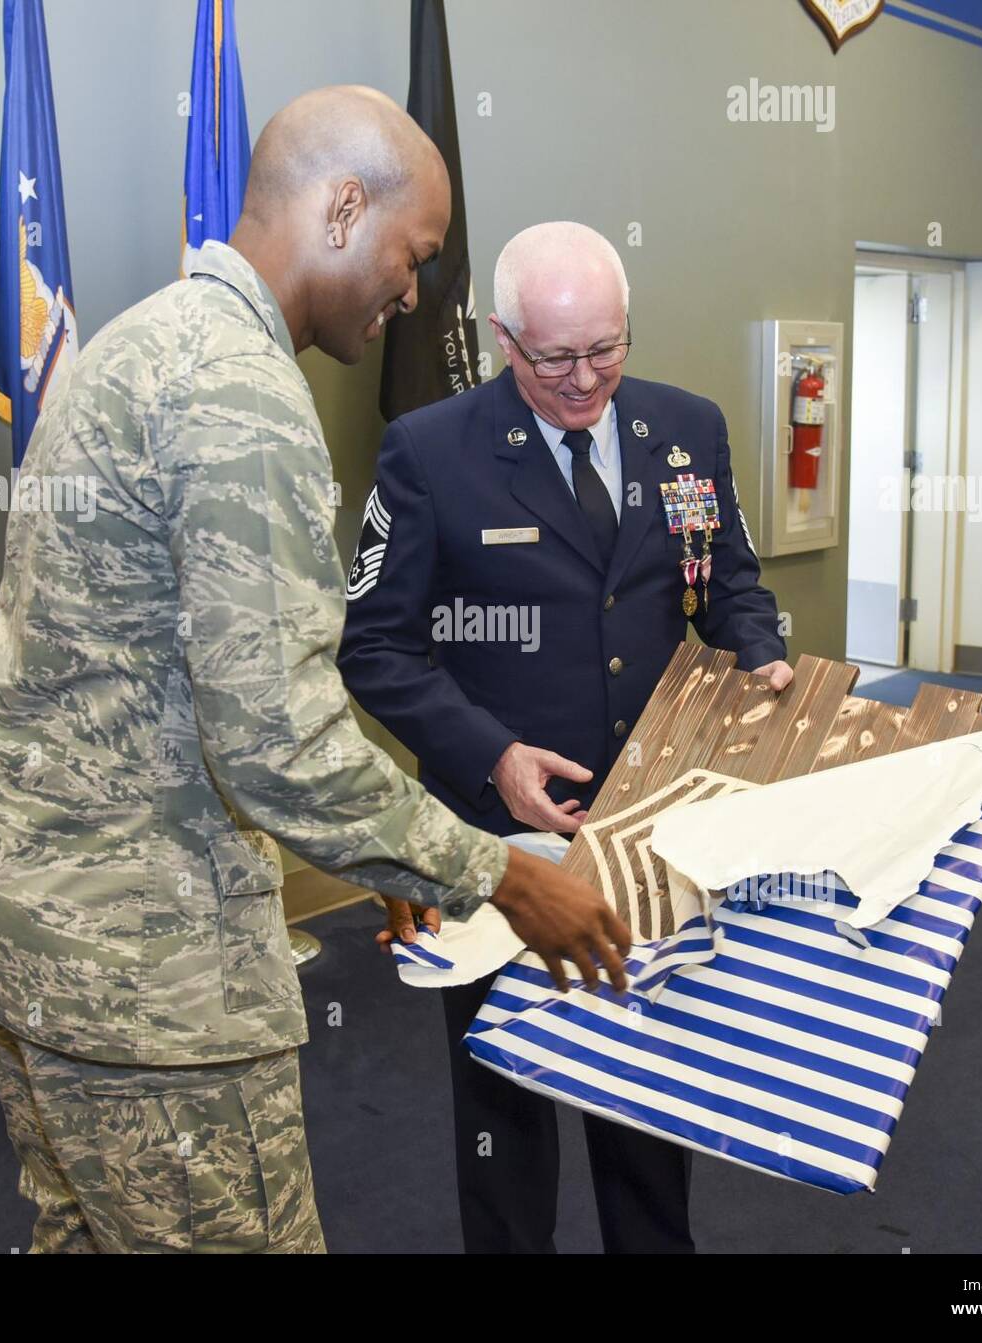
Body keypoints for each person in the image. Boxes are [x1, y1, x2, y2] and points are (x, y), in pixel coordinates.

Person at [0, 94, 628, 1255]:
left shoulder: (137, 342)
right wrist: (501, 875)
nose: (413, 294)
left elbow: (158, 675)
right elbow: (280, 744)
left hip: (26, 935)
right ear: (343, 207)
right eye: (413, 257)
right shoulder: (241, 395)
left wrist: (381, 849)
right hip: (149, 988)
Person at [339, 220, 793, 1253]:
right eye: (554, 358)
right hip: (502, 842)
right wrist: (491, 752)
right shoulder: (429, 450)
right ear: (503, 337)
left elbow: (726, 584)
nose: (586, 380)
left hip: (651, 828)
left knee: (645, 1082)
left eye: (606, 349)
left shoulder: (687, 428)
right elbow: (375, 648)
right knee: (507, 1098)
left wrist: (759, 651)